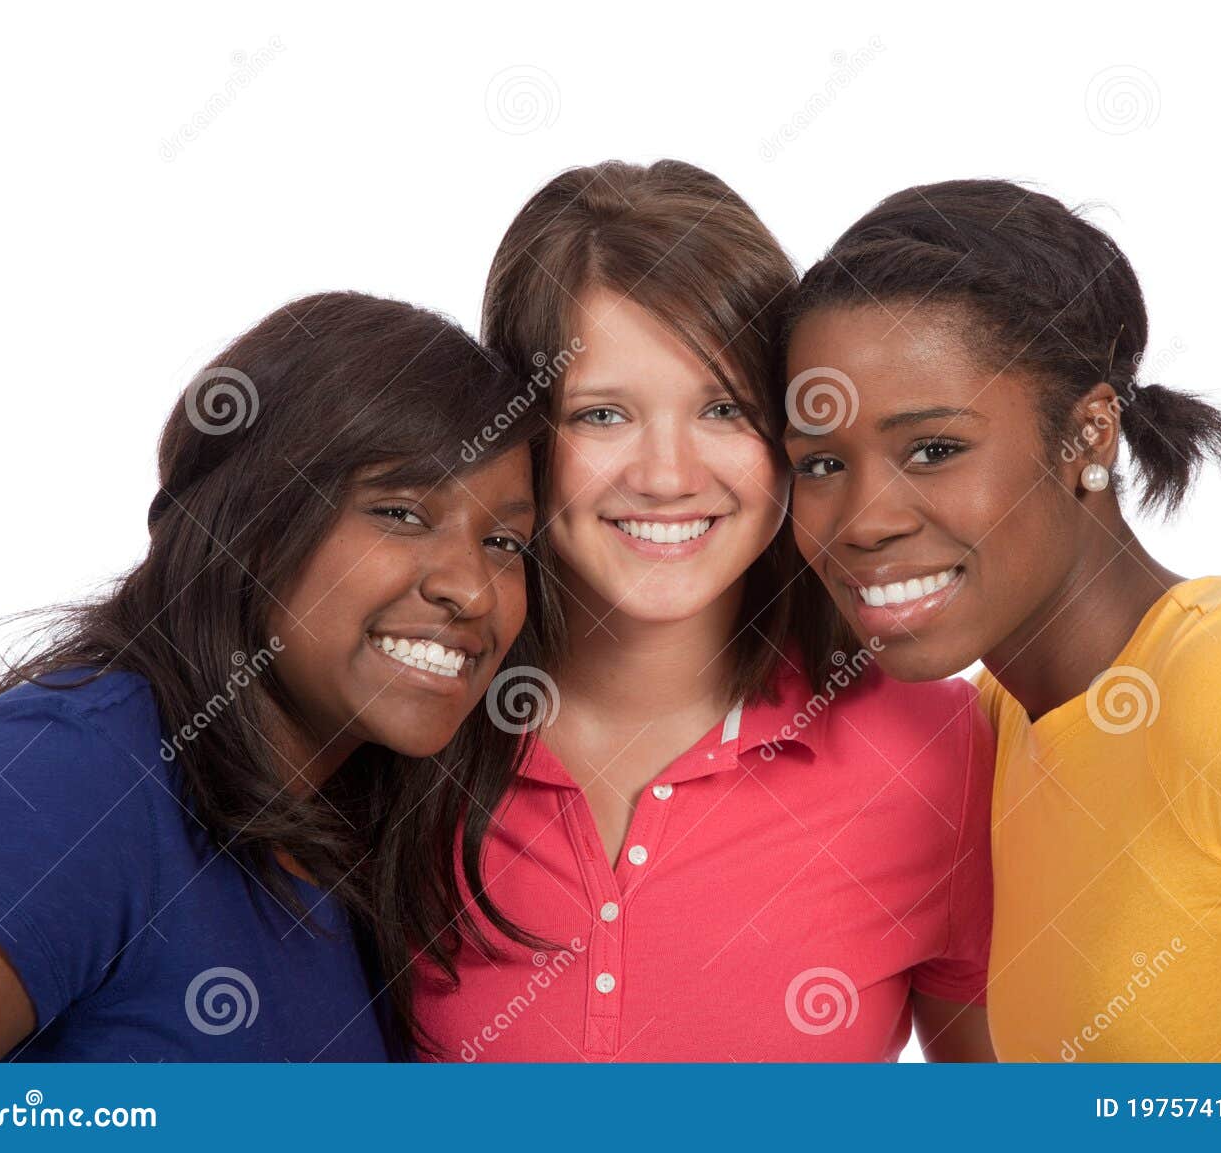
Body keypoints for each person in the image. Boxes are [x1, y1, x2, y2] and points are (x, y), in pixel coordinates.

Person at [781, 178, 1221, 1060]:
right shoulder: (1004, 729)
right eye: (820, 463)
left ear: (1089, 437)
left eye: (935, 448)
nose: (864, 519)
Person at [414, 160, 996, 1062]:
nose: (669, 475)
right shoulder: (410, 727)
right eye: (603, 415)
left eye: (724, 407)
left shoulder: (940, 754)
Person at [0, 292, 543, 1060]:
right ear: (248, 524)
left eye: (505, 542)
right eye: (399, 513)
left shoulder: (348, 840)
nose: (473, 587)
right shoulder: (68, 777)